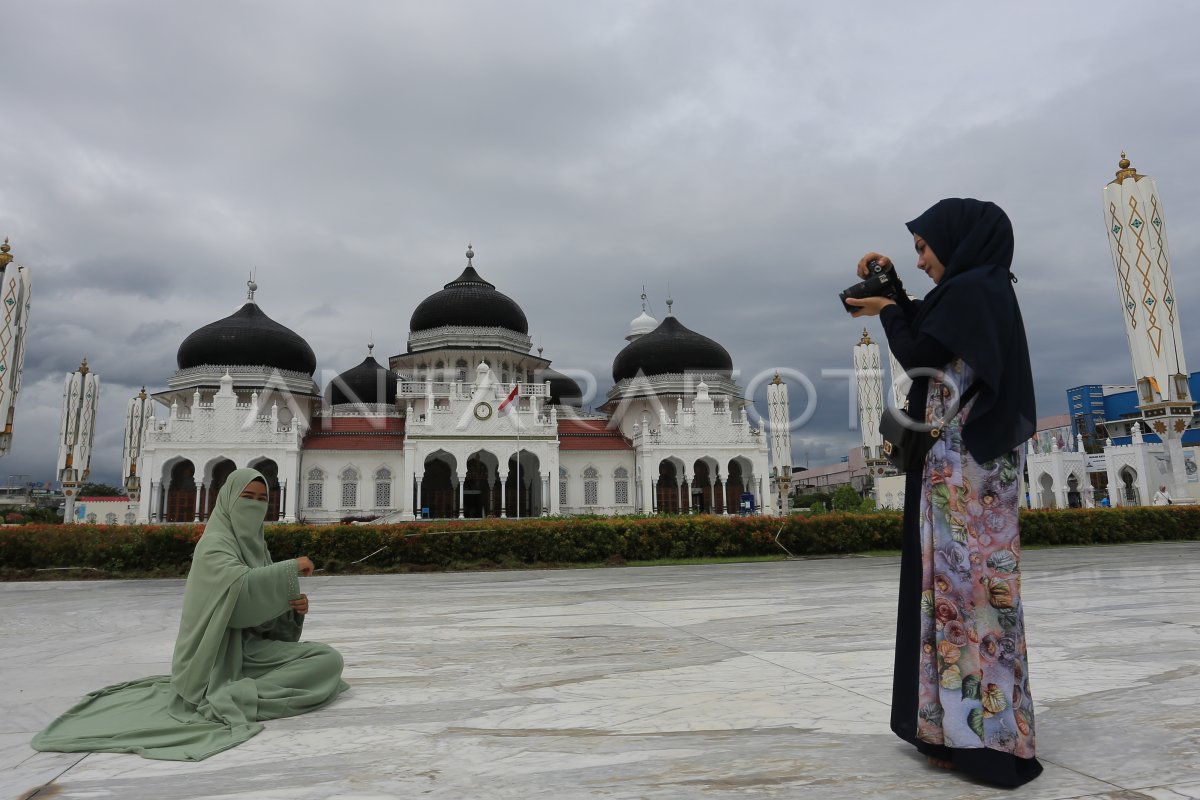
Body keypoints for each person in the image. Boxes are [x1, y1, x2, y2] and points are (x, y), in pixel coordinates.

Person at [846, 198, 1042, 786]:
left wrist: (886, 309)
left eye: (925, 250)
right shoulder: (976, 291)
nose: (924, 261)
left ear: (956, 243)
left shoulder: (978, 291)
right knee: (952, 598)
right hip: (957, 469)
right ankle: (950, 730)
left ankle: (990, 743)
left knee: (974, 600)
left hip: (968, 476)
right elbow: (934, 336)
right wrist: (893, 289)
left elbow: (917, 352)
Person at [32, 468, 347, 761]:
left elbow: (258, 612)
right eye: (246, 498)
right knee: (324, 665)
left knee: (326, 659)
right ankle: (230, 697)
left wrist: (291, 606)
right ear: (227, 501)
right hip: (214, 655)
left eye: (262, 499)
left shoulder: (257, 547)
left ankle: (240, 691)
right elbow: (239, 597)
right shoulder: (215, 545)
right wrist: (288, 571)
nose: (255, 505)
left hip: (248, 648)